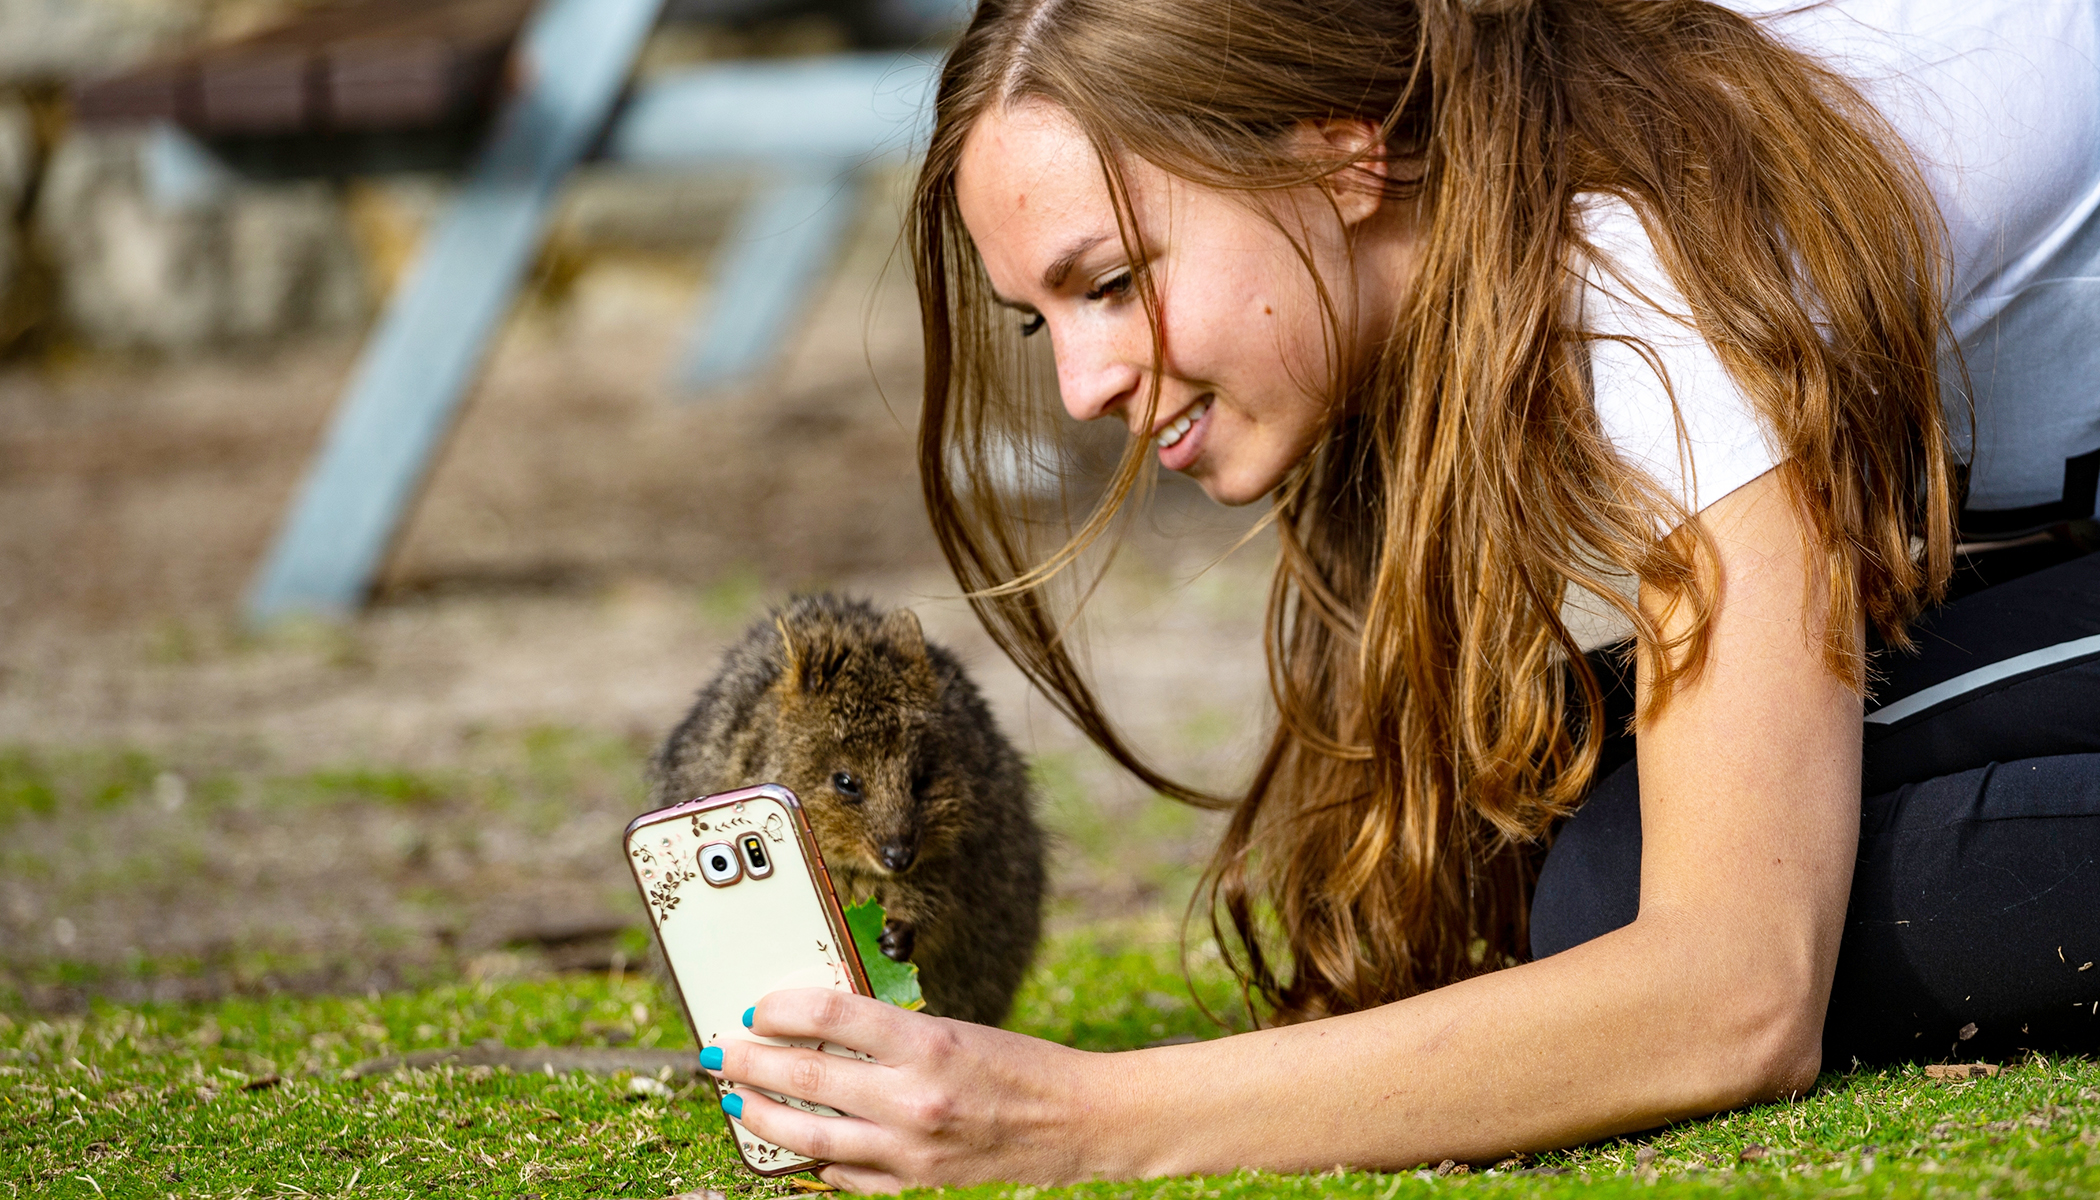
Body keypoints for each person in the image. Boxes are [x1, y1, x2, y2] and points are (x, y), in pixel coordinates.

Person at [701, 0, 2100, 1186]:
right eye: (1042, 319)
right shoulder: (1499, 219)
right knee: (1598, 852)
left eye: (1117, 282)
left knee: (1636, 915)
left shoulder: (1649, 258)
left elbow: (1736, 1002)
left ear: (1344, 158)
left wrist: (1078, 1120)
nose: (1083, 388)